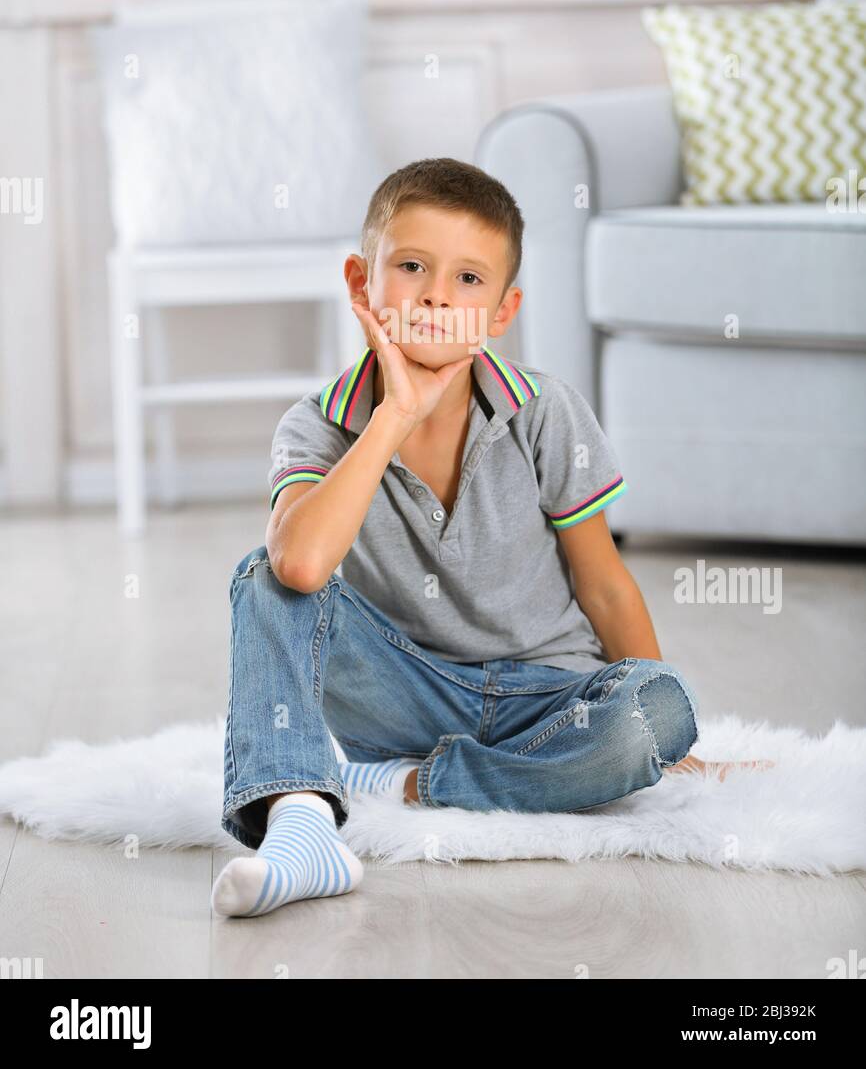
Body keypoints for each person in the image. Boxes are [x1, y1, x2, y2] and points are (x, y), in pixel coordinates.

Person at [211, 157, 772, 918]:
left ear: (502, 311)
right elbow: (302, 566)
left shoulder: (544, 412)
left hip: (548, 695)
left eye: (468, 279)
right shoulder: (316, 424)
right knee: (263, 577)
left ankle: (411, 784)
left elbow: (603, 581)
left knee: (659, 710)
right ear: (359, 282)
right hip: (401, 694)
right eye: (411, 266)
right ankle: (302, 823)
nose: (438, 294)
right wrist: (393, 417)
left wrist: (667, 739)